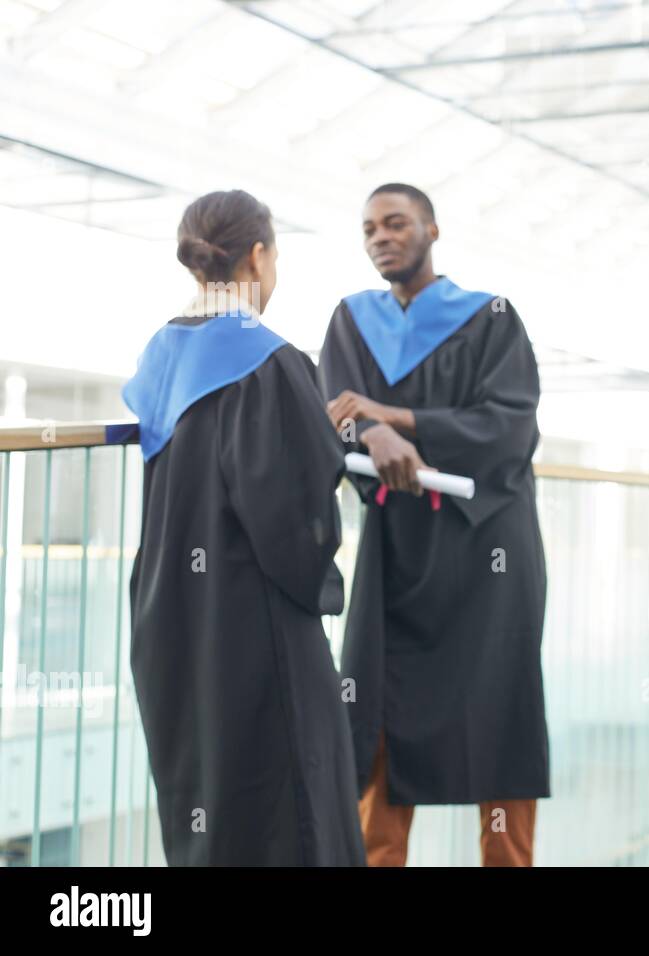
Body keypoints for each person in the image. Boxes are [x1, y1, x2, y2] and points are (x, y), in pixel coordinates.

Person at [123, 189, 365, 866]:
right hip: (255, 630)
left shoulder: (159, 357)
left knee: (207, 809)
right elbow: (295, 522)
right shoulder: (266, 360)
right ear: (257, 258)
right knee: (291, 811)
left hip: (168, 618)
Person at [318, 183, 549, 867]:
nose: (380, 237)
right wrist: (371, 432)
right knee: (378, 713)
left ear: (432, 230)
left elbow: (511, 429)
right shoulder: (350, 320)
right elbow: (339, 415)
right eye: (368, 229)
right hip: (397, 546)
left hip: (489, 550)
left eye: (395, 224)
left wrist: (397, 420)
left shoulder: (490, 318)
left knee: (497, 710)